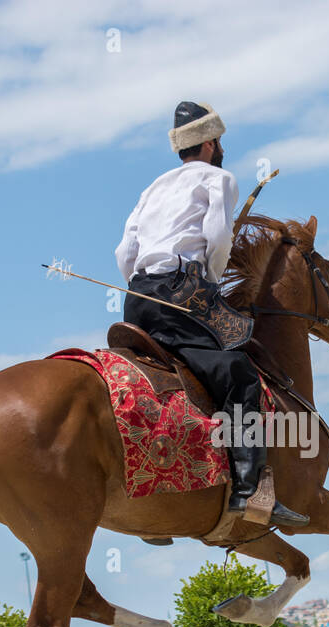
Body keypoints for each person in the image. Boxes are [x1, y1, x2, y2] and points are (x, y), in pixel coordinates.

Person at [115, 101, 308, 527]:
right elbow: (218, 237)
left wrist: (143, 283)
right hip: (181, 293)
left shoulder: (152, 188)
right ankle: (246, 489)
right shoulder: (219, 178)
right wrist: (210, 280)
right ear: (209, 143)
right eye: (219, 141)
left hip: (136, 297)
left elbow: (124, 253)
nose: (222, 149)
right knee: (237, 374)